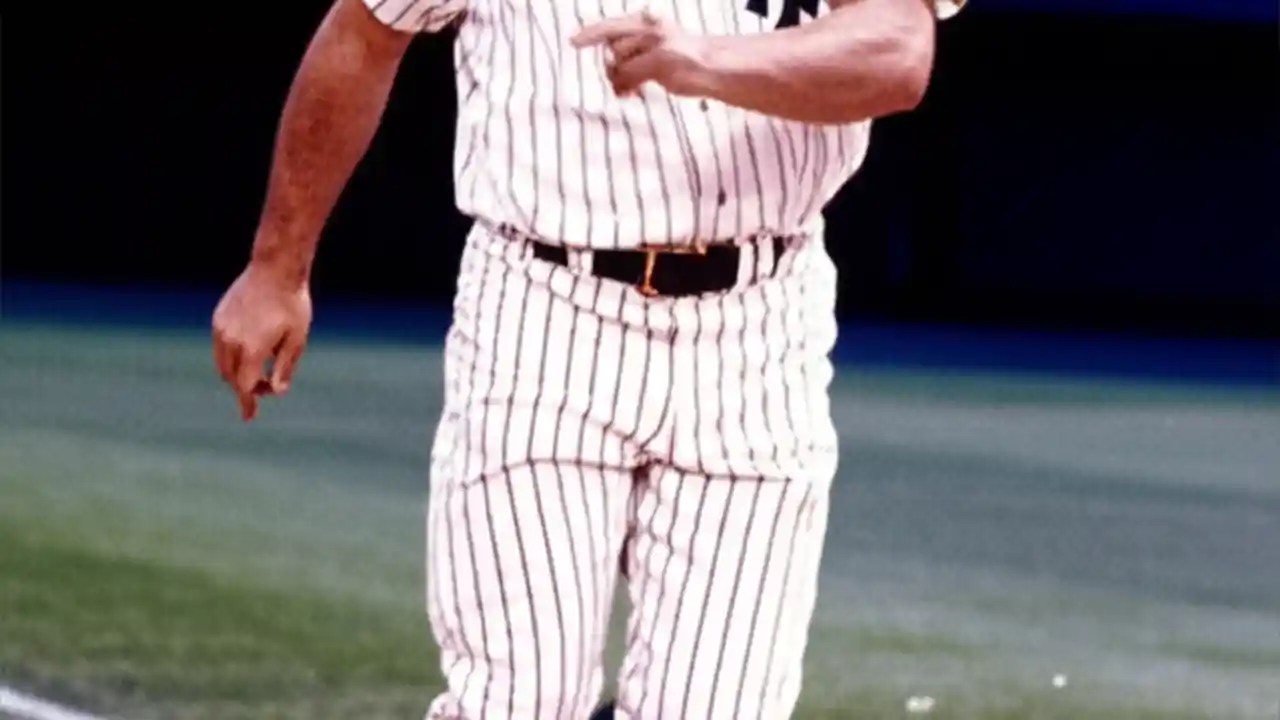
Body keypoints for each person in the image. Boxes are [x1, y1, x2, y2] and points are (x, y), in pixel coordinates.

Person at [210, 0, 965, 716]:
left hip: (760, 321)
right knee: (518, 701)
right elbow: (366, 31)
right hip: (545, 306)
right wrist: (278, 266)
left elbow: (896, 51)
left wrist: (705, 60)